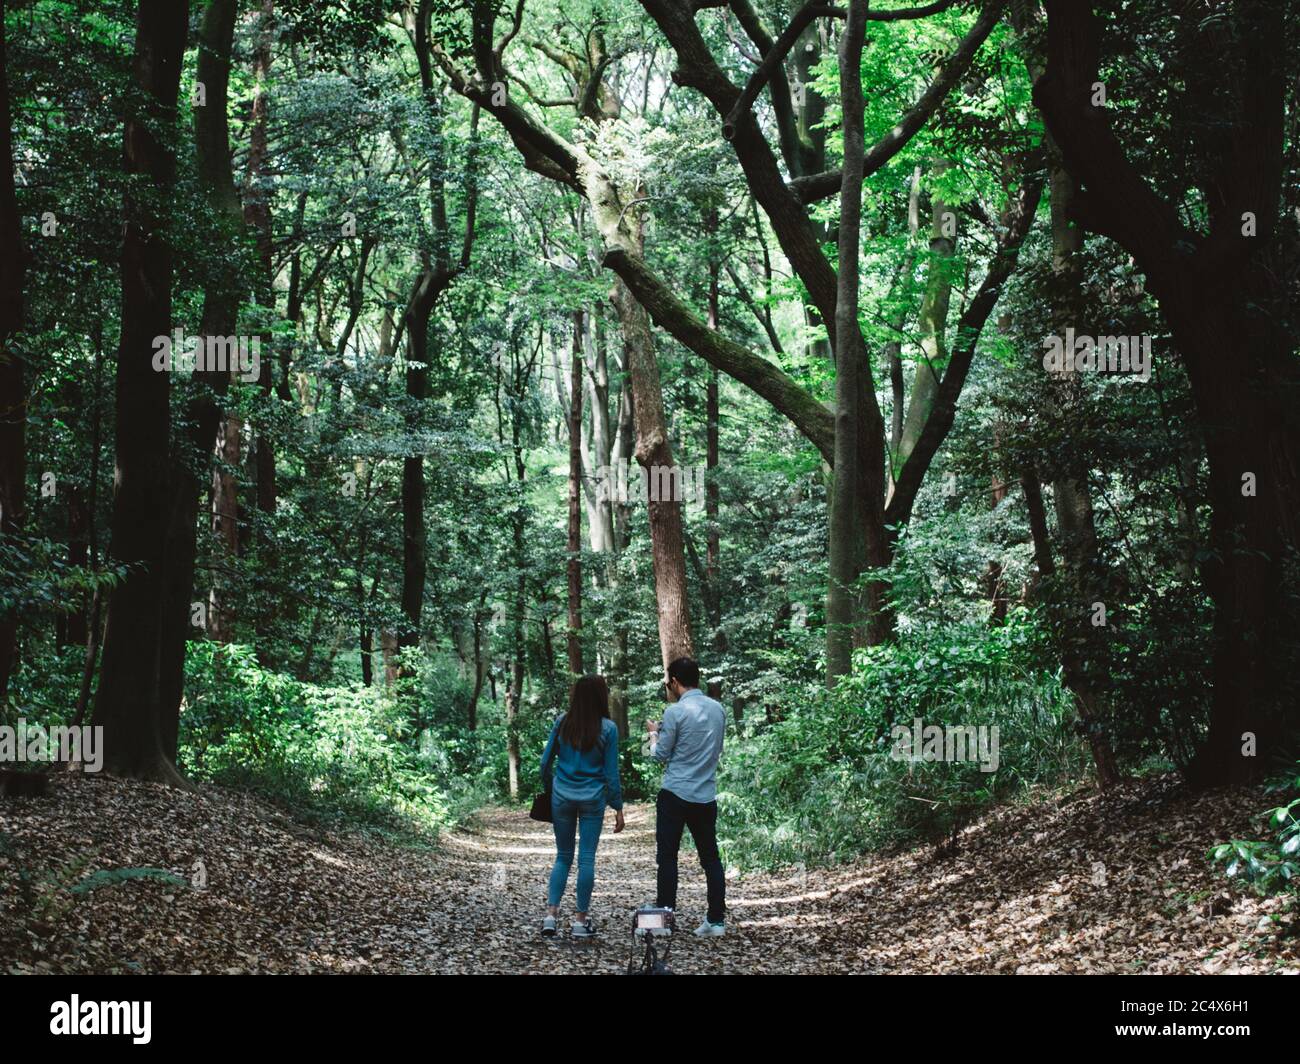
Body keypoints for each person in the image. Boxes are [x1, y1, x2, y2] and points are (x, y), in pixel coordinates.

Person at [646, 657, 727, 937]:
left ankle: (664, 922)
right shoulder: (718, 710)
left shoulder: (674, 712)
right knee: (710, 858)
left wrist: (653, 735)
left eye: (668, 682)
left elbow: (660, 756)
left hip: (676, 793)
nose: (668, 687)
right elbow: (718, 750)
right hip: (705, 795)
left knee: (667, 857)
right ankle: (716, 921)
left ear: (676, 681)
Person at [539, 675, 624, 938]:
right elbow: (611, 773)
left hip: (561, 796)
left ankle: (551, 917)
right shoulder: (608, 729)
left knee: (563, 856)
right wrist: (617, 806)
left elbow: (544, 764)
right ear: (601, 696)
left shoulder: (562, 723)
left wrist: (551, 788)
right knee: (586, 858)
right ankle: (579, 921)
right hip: (592, 798)